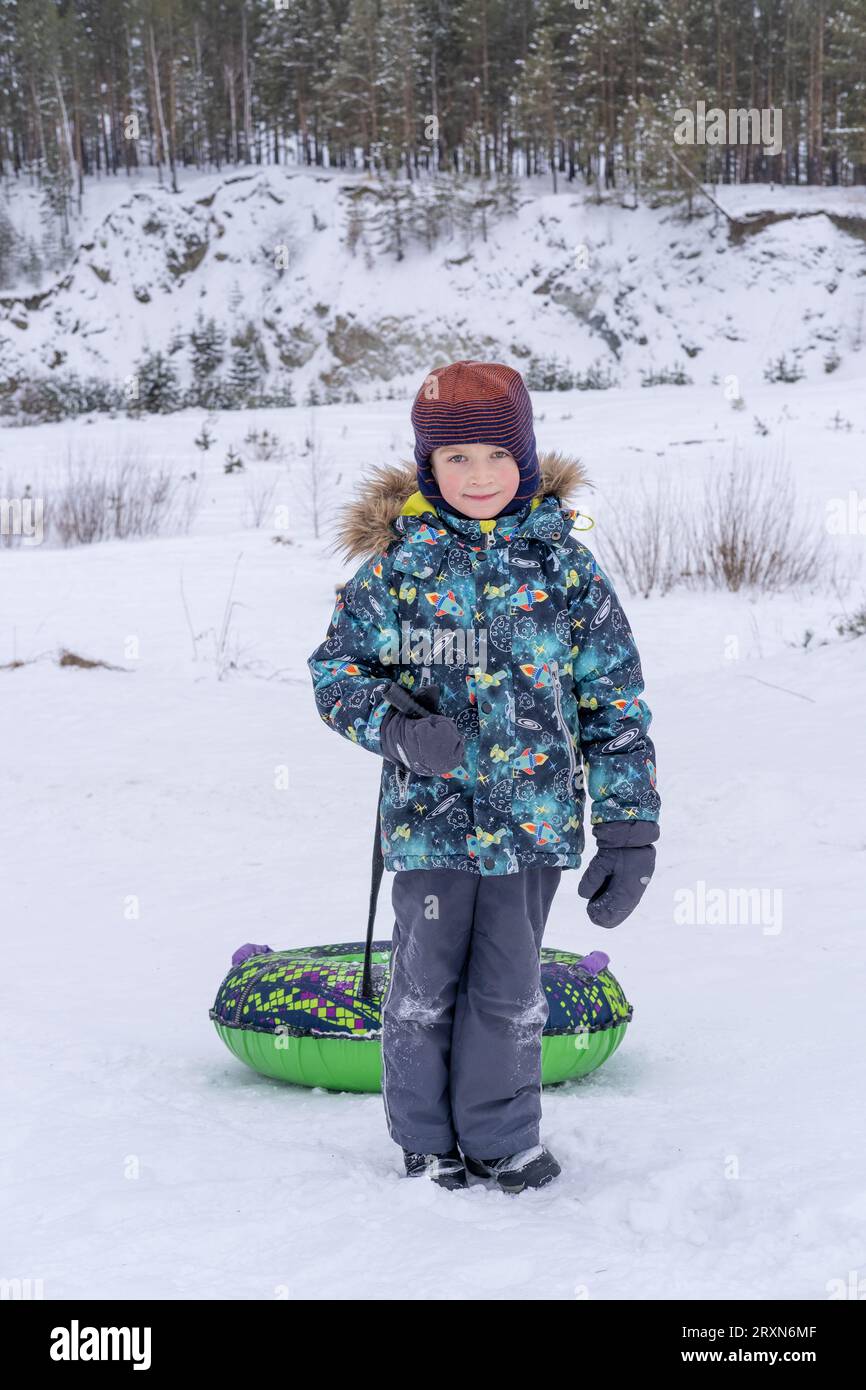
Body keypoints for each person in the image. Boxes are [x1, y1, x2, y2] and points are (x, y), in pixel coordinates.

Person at [307, 360, 660, 1194]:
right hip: (430, 828)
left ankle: (503, 1140)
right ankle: (426, 1144)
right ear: (427, 465)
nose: (477, 476)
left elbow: (614, 703)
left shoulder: (565, 571)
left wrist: (628, 827)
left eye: (495, 456)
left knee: (509, 992)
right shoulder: (396, 571)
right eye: (456, 457)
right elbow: (335, 675)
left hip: (533, 827)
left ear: (525, 460)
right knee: (424, 988)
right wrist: (395, 729)